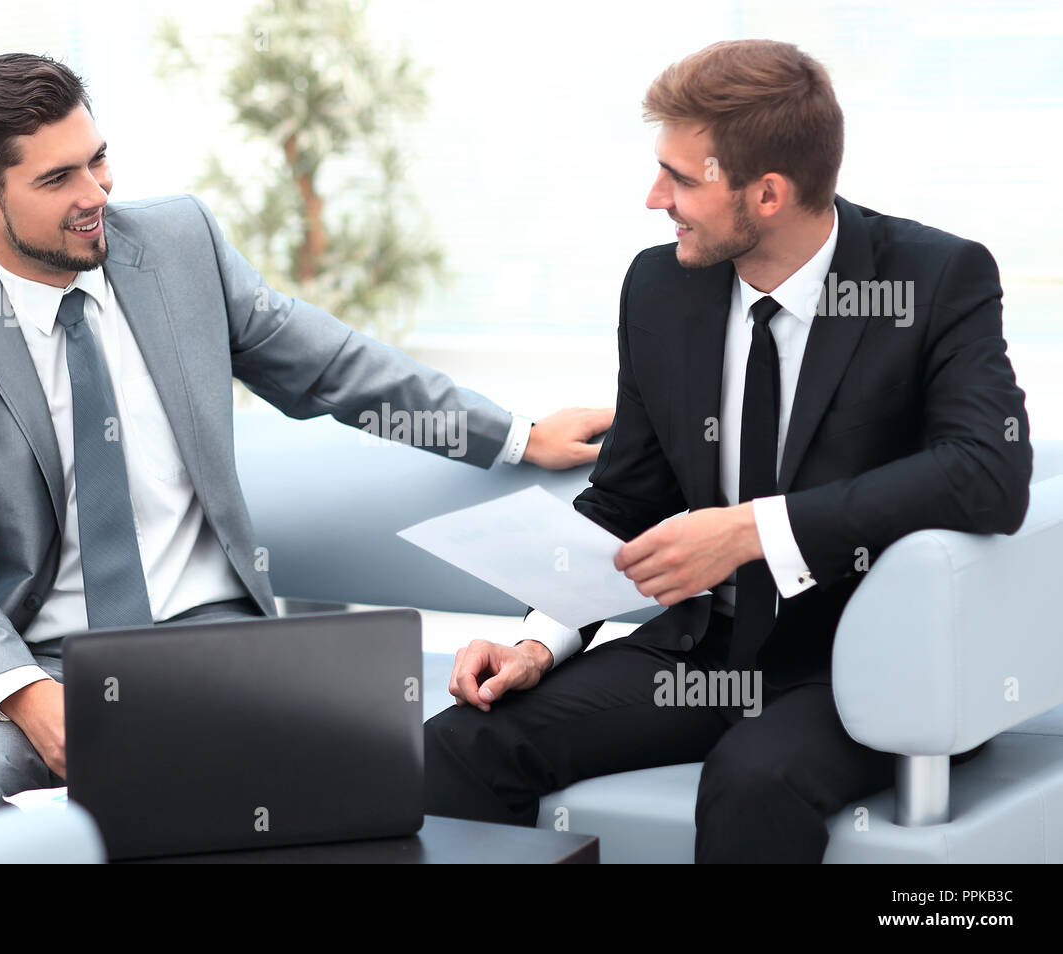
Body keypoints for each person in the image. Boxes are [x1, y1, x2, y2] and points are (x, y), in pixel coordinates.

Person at [0, 52, 611, 832]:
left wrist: (517, 435)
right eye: (56, 181)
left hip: (207, 633)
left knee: (312, 779)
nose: (95, 196)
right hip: (32, 652)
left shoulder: (179, 245)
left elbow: (334, 368)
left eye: (99, 159)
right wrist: (25, 693)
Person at [425, 38, 1032, 863]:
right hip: (704, 653)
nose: (653, 197)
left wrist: (752, 533)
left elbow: (987, 474)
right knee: (459, 743)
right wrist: (536, 640)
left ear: (769, 193)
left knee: (752, 784)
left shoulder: (933, 279)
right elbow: (624, 497)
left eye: (679, 178)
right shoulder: (661, 286)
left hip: (864, 669)